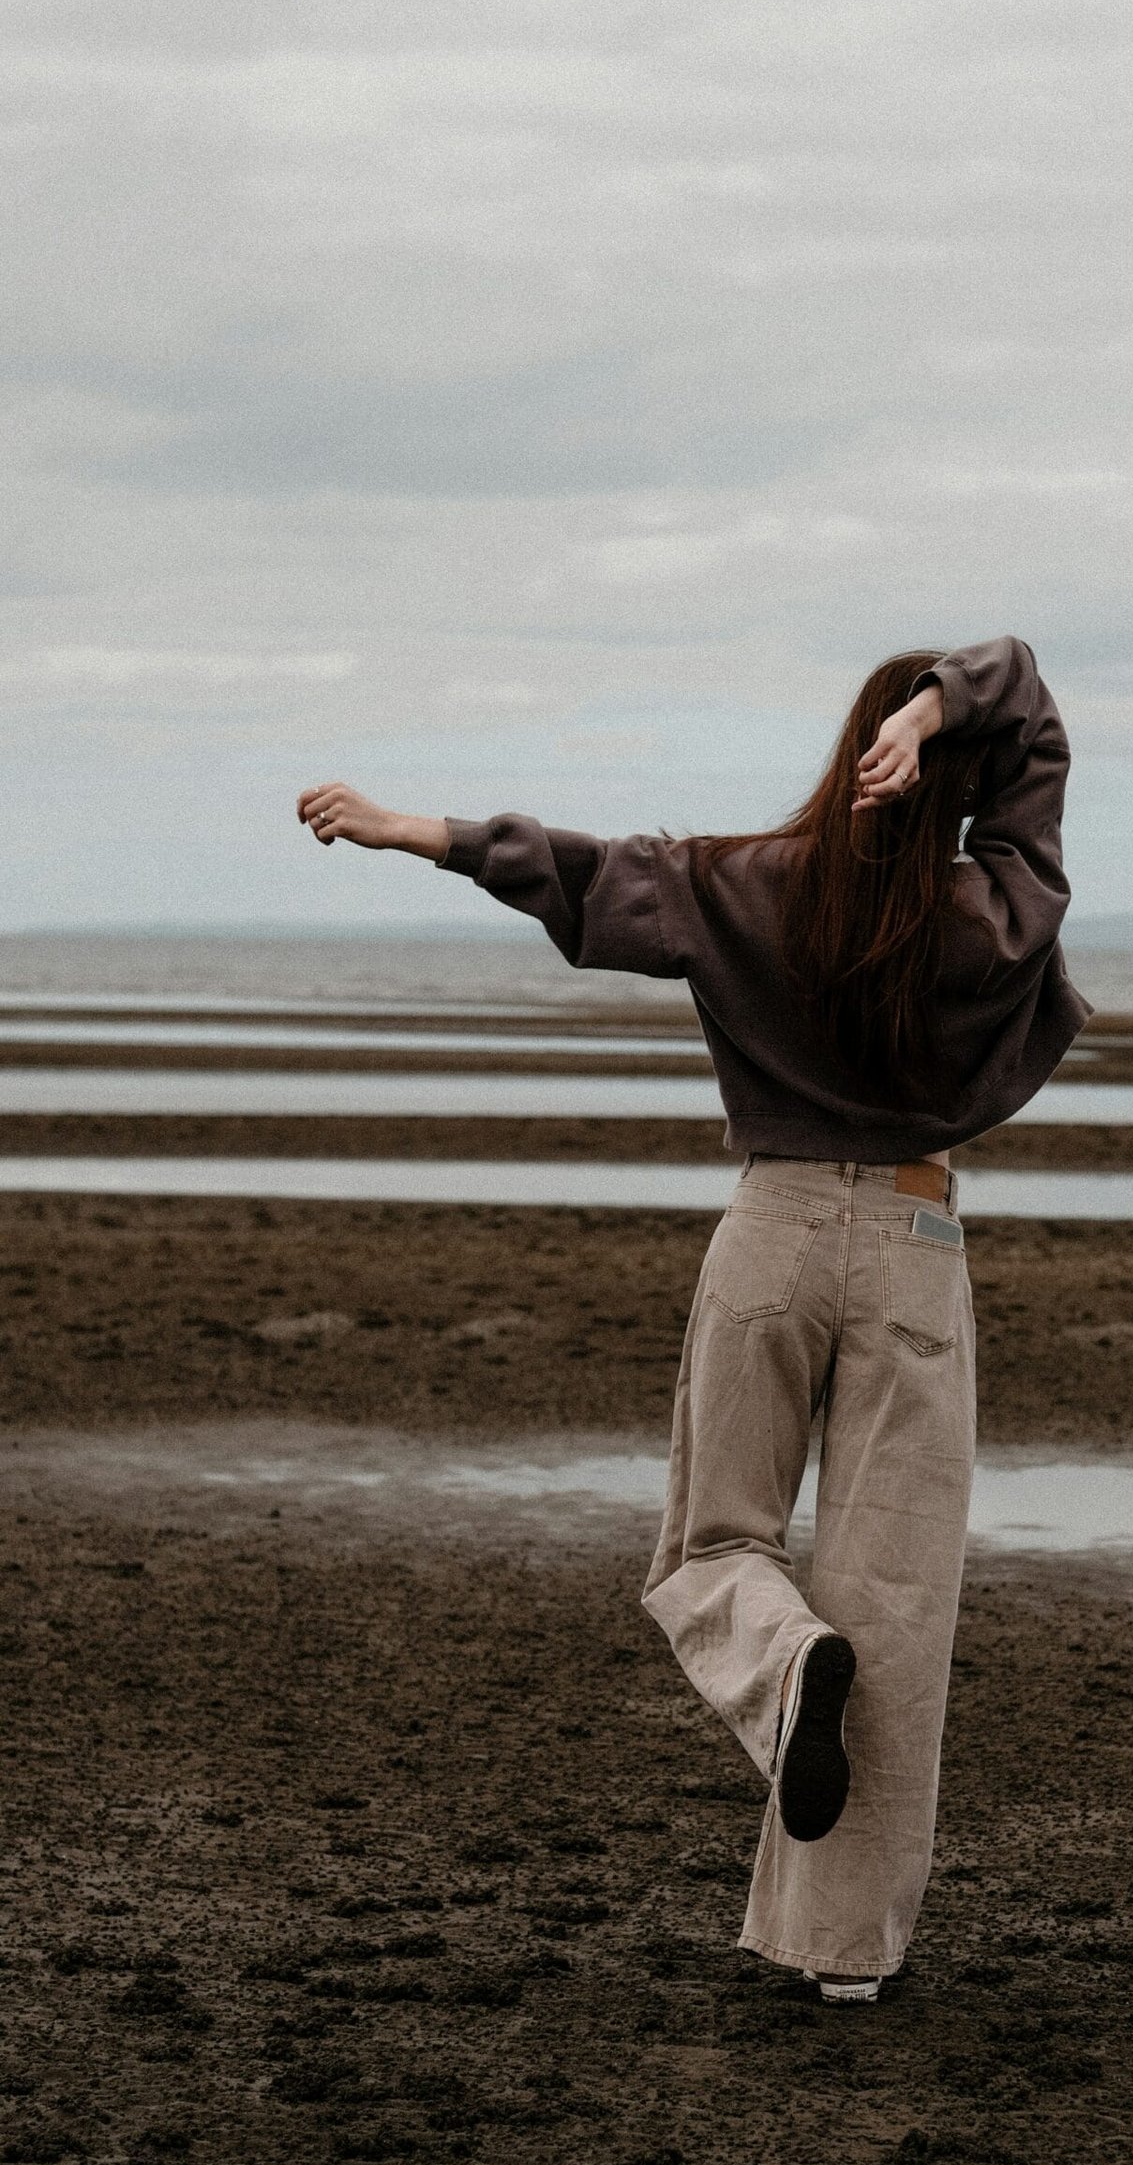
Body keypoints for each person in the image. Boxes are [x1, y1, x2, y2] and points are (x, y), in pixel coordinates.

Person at [298, 636, 1090, 2004]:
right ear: (954, 776)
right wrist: (944, 707)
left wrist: (409, 831)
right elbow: (1028, 701)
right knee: (895, 1604)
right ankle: (845, 1959)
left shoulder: (748, 885)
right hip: (913, 1241)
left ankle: (785, 1666)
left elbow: (580, 874)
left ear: (860, 755)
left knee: (710, 1544)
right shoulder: (999, 908)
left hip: (773, 1231)